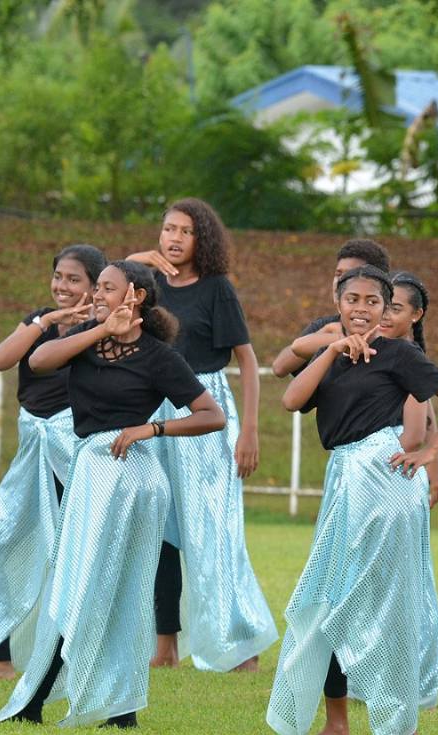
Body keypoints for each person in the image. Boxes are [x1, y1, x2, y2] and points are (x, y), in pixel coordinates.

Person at [0, 261, 227, 728]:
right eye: (96, 287)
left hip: (133, 477)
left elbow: (211, 415)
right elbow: (37, 362)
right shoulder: (88, 344)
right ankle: (47, 700)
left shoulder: (158, 356)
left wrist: (151, 428)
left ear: (135, 296)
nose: (97, 294)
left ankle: (117, 708)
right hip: (94, 470)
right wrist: (98, 328)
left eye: (107, 288)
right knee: (76, 584)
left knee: (121, 590)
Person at [265, 266, 438, 735]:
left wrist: (431, 450)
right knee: (330, 599)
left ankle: (402, 729)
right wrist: (331, 348)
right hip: (344, 482)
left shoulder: (400, 353)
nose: (361, 308)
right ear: (337, 304)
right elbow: (292, 400)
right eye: (352, 299)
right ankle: (337, 724)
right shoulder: (330, 354)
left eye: (373, 301)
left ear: (386, 309)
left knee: (385, 605)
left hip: (385, 483)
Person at [125, 198, 275, 672]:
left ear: (202, 239)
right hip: (154, 409)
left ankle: (239, 645)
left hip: (205, 413)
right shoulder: (146, 287)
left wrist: (249, 430)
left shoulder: (216, 289)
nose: (173, 238)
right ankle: (165, 645)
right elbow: (106, 289)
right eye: (168, 228)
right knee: (159, 529)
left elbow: (247, 361)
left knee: (214, 528)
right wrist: (137, 263)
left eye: (185, 231)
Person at [0, 245, 103, 679]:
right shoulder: (38, 322)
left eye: (74, 279)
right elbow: (3, 360)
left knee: (71, 554)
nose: (63, 286)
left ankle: (68, 659)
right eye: (58, 276)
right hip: (33, 455)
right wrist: (43, 322)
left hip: (76, 453)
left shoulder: (103, 328)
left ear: (95, 286)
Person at [378, 271, 438, 709]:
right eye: (383, 306)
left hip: (391, 472)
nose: (385, 315)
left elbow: (416, 429)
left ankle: (402, 674)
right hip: (391, 471)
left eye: (396, 308)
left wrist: (431, 461)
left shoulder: (405, 355)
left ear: (416, 314)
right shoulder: (387, 351)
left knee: (399, 581)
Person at [271, 239, 393, 378]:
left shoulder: (387, 334)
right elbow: (280, 367)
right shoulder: (328, 325)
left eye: (350, 274)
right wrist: (330, 335)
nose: (339, 281)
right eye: (338, 274)